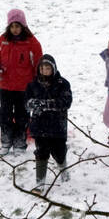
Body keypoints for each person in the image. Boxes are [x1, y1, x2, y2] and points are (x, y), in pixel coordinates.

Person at [0, 9, 43, 154]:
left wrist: (37, 84)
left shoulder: (31, 42)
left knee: (22, 115)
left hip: (24, 87)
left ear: (23, 26)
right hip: (6, 85)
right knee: (5, 113)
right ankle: (6, 140)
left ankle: (20, 142)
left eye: (18, 26)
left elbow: (38, 63)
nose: (15, 29)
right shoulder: (3, 40)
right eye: (12, 26)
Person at [25, 54, 72, 188]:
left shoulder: (62, 83)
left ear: (54, 69)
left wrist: (45, 104)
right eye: (42, 68)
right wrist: (32, 104)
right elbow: (26, 102)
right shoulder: (33, 85)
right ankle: (40, 183)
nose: (44, 71)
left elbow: (66, 102)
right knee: (41, 152)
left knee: (59, 152)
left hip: (57, 126)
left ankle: (64, 172)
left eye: (47, 68)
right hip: (39, 126)